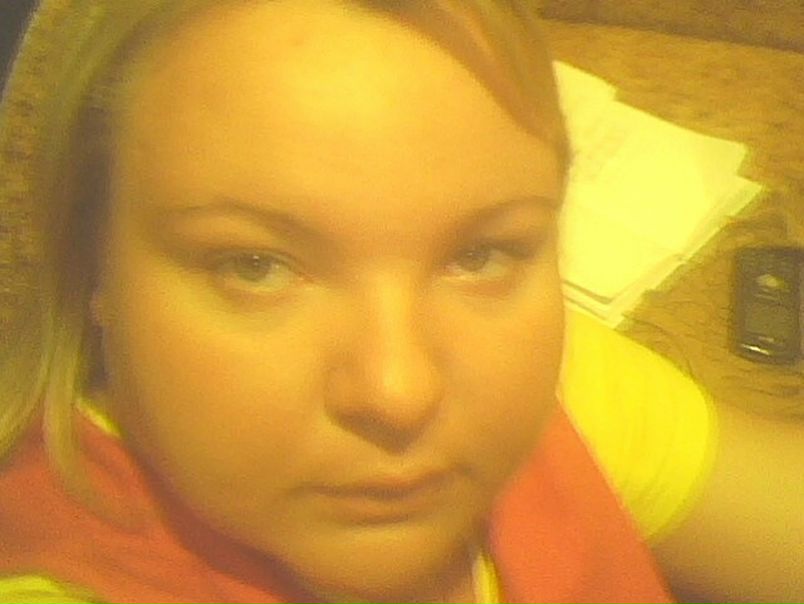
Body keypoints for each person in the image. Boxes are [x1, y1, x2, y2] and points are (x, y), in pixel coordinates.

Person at [0, 1, 800, 603]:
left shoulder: (559, 385)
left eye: (479, 254)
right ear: (92, 262)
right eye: (255, 266)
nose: (401, 390)